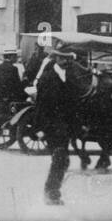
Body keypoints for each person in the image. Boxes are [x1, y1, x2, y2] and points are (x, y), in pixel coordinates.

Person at [36, 47, 81, 206]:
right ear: (56, 58)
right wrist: (41, 128)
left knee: (63, 160)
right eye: (63, 58)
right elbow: (40, 105)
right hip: (52, 126)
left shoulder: (70, 77)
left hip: (65, 126)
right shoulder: (47, 78)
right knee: (60, 158)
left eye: (69, 58)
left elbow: (74, 105)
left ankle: (52, 190)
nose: (66, 61)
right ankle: (51, 192)